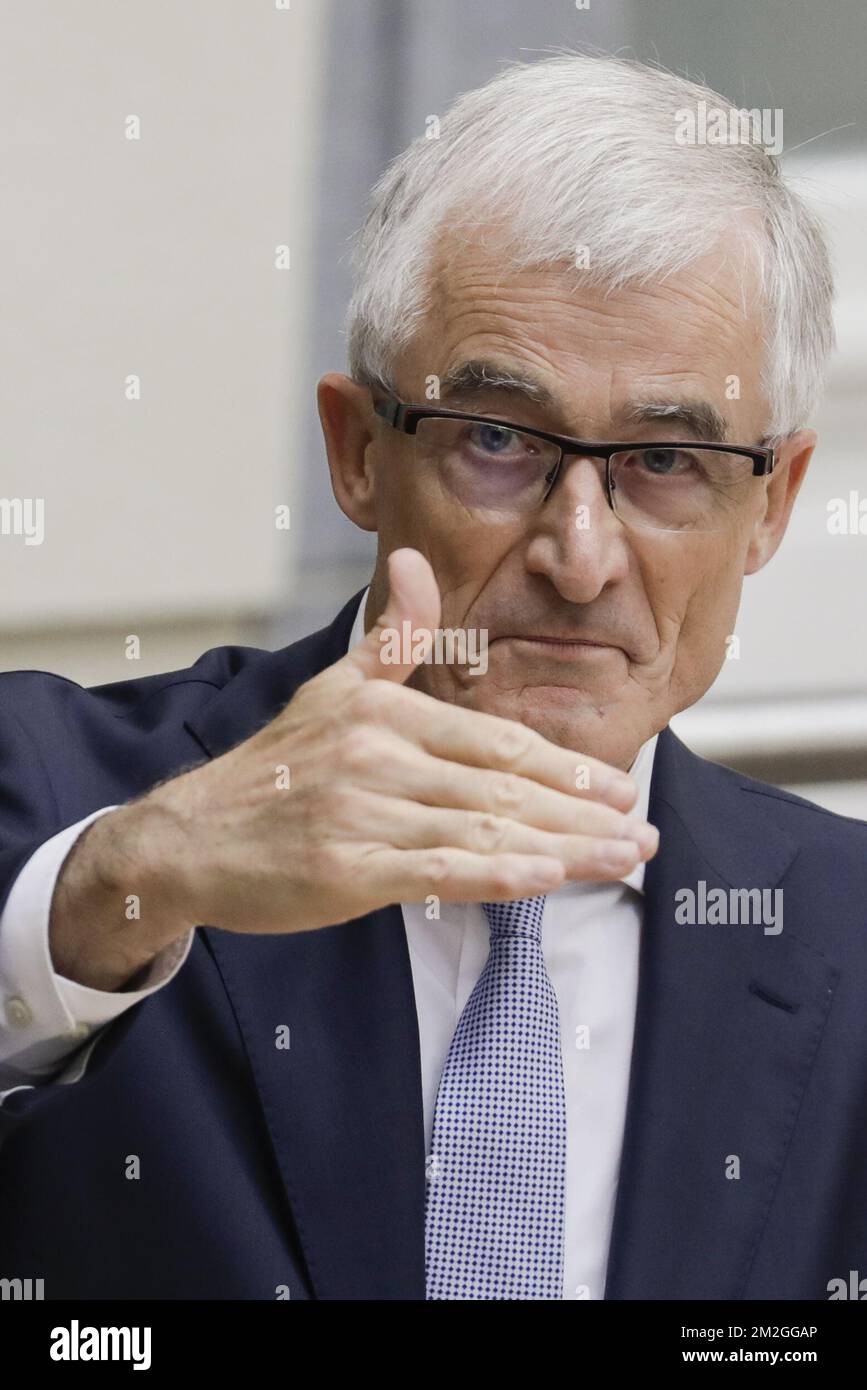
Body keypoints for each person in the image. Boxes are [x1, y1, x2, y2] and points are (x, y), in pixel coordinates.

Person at [1, 53, 864, 1302]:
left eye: (668, 459)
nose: (580, 558)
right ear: (357, 450)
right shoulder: (74, 805)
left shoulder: (844, 933)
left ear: (772, 504)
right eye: (501, 441)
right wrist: (129, 876)